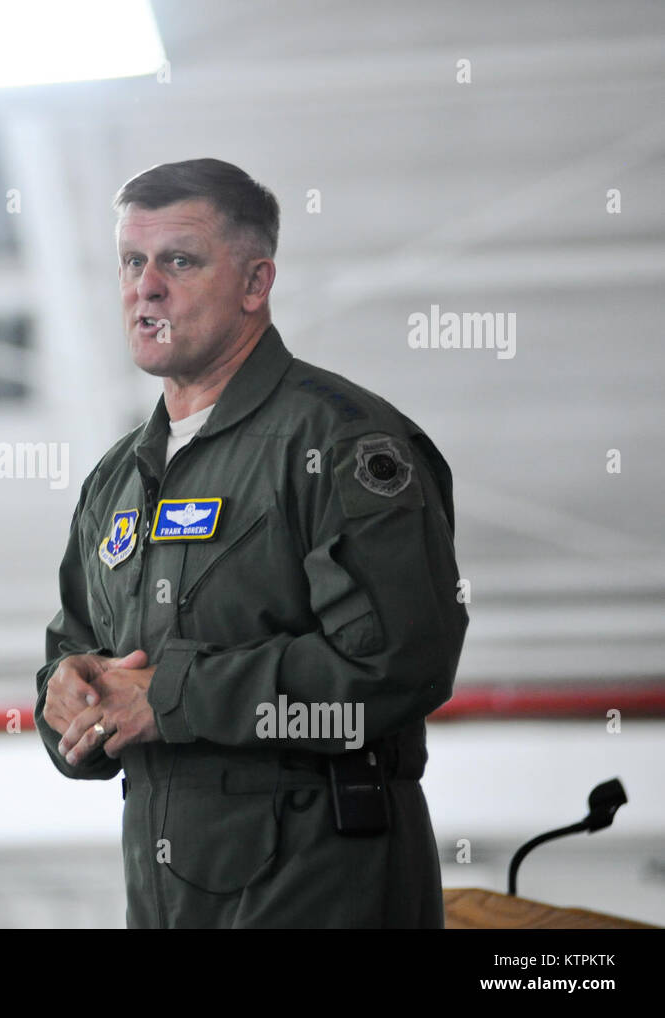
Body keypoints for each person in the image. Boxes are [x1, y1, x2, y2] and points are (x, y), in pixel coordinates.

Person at [34, 158, 469, 928]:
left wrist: (168, 697)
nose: (146, 287)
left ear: (255, 283)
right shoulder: (117, 479)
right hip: (167, 890)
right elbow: (76, 650)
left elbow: (401, 664)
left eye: (179, 260)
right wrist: (69, 696)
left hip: (325, 882)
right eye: (133, 262)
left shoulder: (341, 441)